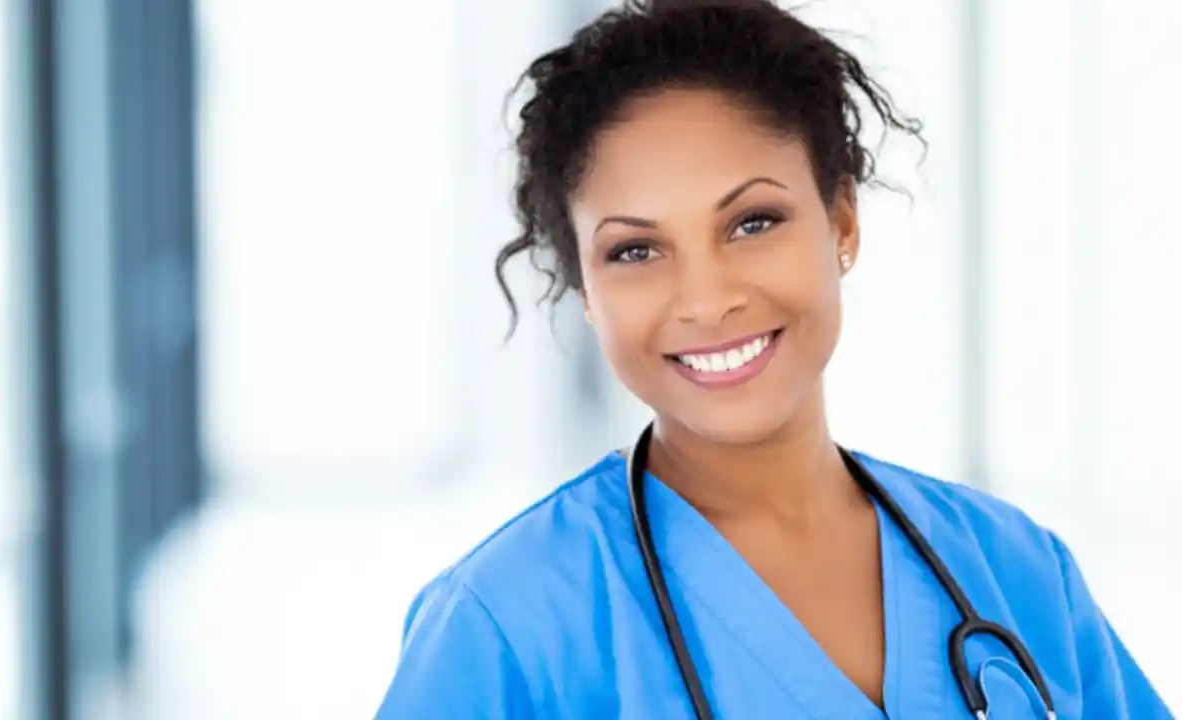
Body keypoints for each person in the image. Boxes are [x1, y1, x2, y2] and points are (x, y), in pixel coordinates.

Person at [377, 1, 1173, 717]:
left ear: (842, 223)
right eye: (636, 250)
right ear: (586, 290)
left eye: (752, 223)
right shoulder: (505, 624)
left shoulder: (1015, 570)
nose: (705, 300)